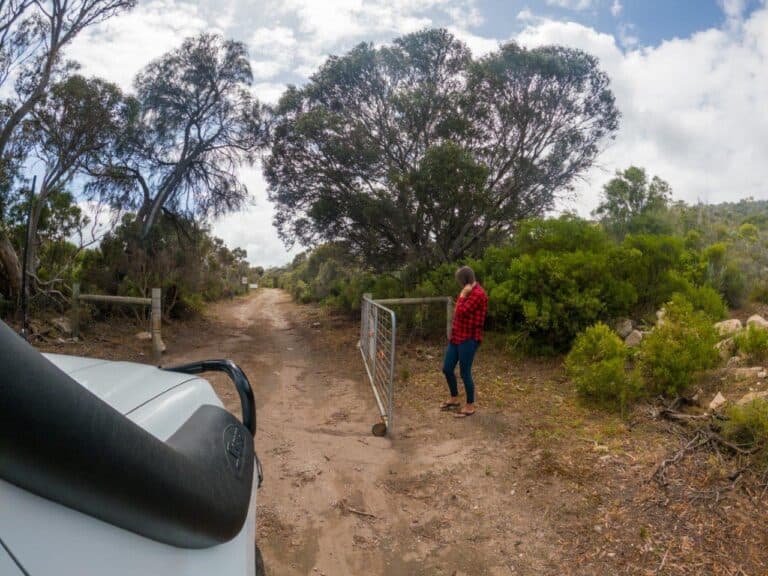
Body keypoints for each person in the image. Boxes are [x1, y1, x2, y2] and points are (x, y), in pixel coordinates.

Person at [441, 266, 488, 418]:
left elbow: (460, 311)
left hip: (469, 338)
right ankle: (454, 398)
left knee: (464, 372)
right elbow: (459, 313)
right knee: (447, 368)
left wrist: (462, 295)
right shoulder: (468, 292)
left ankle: (470, 405)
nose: (459, 285)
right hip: (457, 336)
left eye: (459, 281)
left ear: (464, 280)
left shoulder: (478, 294)